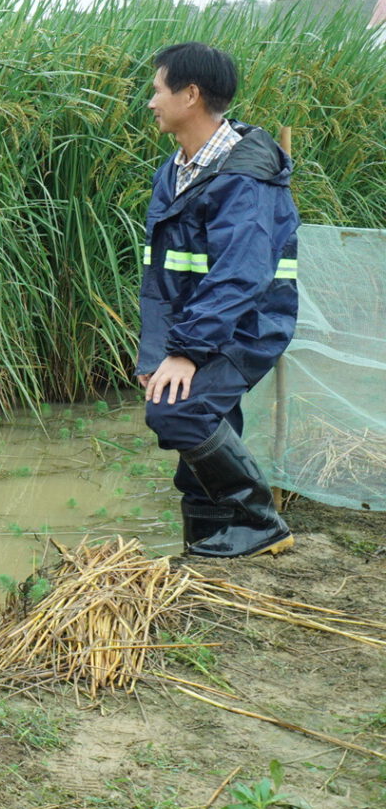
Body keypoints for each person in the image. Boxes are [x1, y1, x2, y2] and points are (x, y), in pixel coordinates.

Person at [137, 42, 299, 557]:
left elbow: (239, 277)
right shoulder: (177, 169)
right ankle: (208, 537)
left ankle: (259, 521)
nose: (150, 101)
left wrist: (185, 352)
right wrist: (155, 352)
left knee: (177, 413)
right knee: (206, 417)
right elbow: (163, 276)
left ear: (190, 94)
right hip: (199, 325)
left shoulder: (244, 177)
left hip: (248, 323)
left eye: (157, 89)